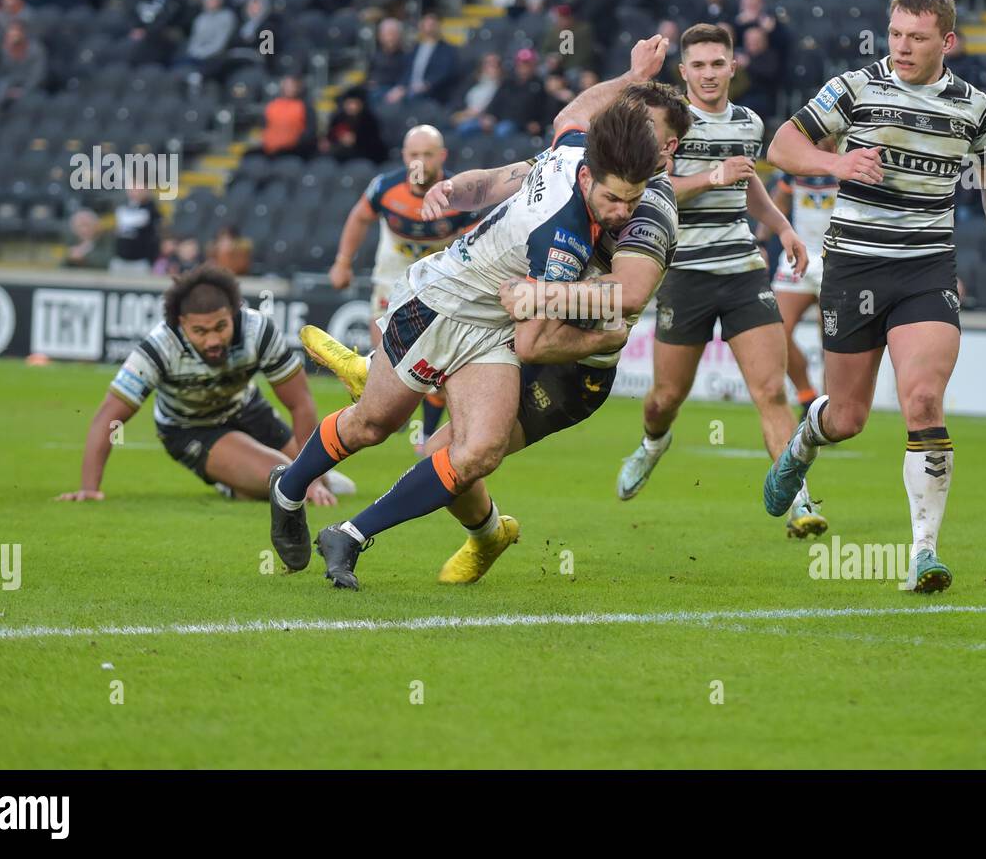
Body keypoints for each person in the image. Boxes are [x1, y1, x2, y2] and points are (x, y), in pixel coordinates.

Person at [309, 54, 692, 584]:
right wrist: (459, 189)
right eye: (624, 112)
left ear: (666, 149)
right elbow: (532, 157)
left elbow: (628, 293)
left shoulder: (650, 206)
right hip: (511, 327)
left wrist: (543, 295)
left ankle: (380, 528)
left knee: (452, 452)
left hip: (572, 363)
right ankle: (481, 529)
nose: (622, 126)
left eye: (642, 126)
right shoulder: (589, 161)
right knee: (453, 448)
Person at [764, 0, 986, 593]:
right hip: (855, 268)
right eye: (895, 34)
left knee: (922, 402)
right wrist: (837, 164)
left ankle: (923, 554)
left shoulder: (974, 106)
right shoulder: (856, 87)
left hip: (925, 270)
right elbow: (782, 144)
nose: (903, 47)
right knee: (848, 418)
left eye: (917, 37)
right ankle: (804, 442)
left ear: (947, 40)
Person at [615, 23, 822, 537]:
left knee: (771, 390)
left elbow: (747, 184)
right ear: (684, 72)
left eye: (717, 64)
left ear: (733, 67)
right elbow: (646, 190)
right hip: (684, 273)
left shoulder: (749, 122)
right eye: (699, 66)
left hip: (743, 270)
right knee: (664, 398)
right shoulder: (663, 123)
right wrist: (712, 176)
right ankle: (653, 444)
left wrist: (783, 227)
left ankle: (798, 500)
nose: (709, 74)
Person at [56, 264, 354, 509]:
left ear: (233, 313)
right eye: (199, 331)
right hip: (191, 429)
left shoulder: (258, 330)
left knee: (309, 480)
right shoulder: (160, 347)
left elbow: (300, 403)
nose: (212, 341)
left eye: (220, 327)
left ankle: (246, 484)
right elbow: (110, 416)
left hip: (250, 410)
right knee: (287, 481)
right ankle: (235, 479)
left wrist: (314, 478)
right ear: (182, 323)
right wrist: (89, 488)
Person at [325, 125, 478, 443]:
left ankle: (425, 435)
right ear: (404, 156)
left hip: (439, 270)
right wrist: (342, 261)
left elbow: (474, 245)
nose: (420, 161)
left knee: (440, 357)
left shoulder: (460, 194)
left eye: (427, 154)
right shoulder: (384, 187)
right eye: (414, 154)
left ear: (442, 156)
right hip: (393, 269)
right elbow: (359, 217)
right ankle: (381, 410)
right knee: (386, 354)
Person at [764, 148, 839, 413]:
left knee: (832, 341)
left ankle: (829, 413)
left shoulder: (849, 159)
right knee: (775, 330)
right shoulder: (796, 162)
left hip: (838, 260)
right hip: (799, 256)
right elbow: (779, 200)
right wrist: (761, 241)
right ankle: (807, 397)